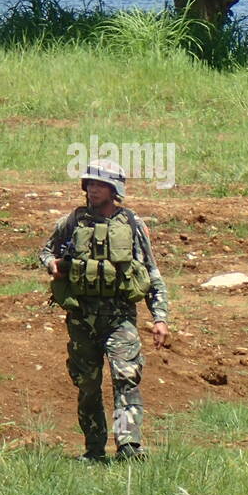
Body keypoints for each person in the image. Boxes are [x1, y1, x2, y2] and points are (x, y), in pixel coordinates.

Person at [38, 159, 170, 462]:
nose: (93, 190)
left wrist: (160, 317)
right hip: (82, 317)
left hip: (120, 316)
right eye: (90, 184)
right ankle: (94, 451)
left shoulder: (133, 224)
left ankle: (128, 446)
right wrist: (51, 264)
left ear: (114, 189)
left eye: (100, 184)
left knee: (126, 378)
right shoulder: (73, 221)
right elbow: (45, 251)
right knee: (87, 385)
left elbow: (151, 272)